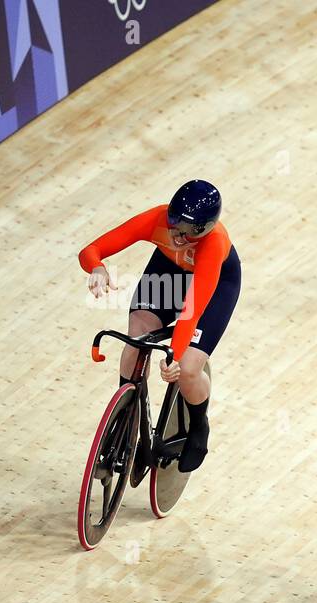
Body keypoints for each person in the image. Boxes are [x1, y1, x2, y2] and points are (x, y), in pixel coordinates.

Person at [79, 180, 240, 471]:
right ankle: (124, 419)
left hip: (213, 286)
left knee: (187, 369)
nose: (177, 236)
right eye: (174, 225)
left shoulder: (214, 244)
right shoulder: (156, 218)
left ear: (204, 229)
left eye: (188, 233)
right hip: (168, 272)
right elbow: (92, 249)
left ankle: (199, 424)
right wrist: (97, 267)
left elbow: (192, 310)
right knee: (136, 339)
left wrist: (174, 356)